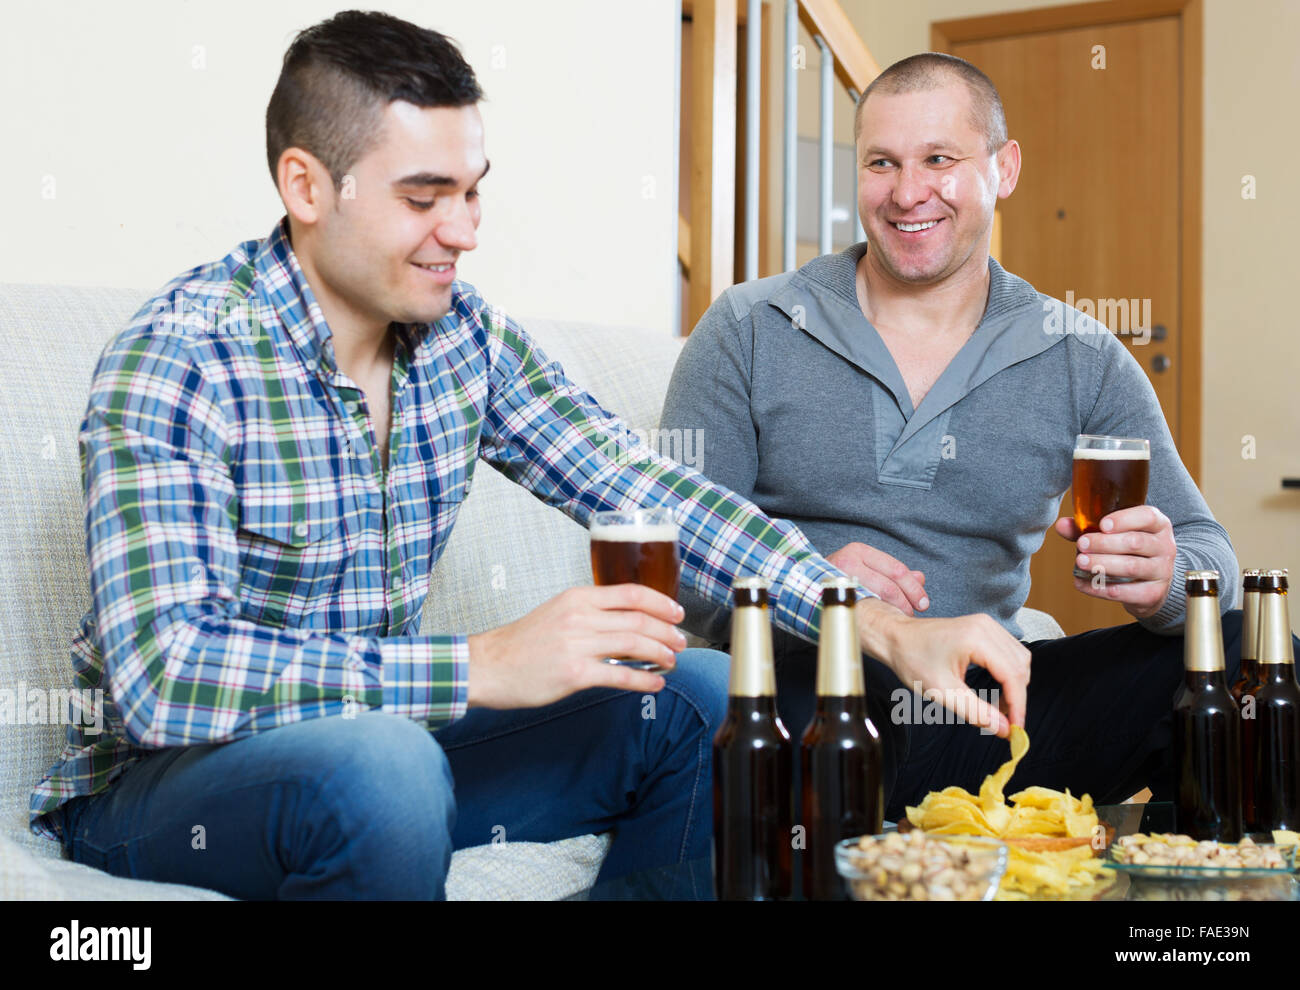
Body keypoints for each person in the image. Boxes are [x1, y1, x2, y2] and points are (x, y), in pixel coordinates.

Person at [28, 16, 1029, 900]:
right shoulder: (183, 354)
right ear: (306, 185)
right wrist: (484, 664)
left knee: (699, 697)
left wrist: (887, 631)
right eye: (425, 198)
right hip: (167, 786)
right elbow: (166, 674)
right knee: (380, 764)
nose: (460, 233)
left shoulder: (461, 336)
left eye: (471, 193)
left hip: (390, 757)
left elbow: (640, 488)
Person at [663, 52, 1284, 823]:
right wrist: (799, 579)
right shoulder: (749, 327)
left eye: (939, 160)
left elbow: (1209, 550)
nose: (907, 192)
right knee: (760, 709)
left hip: (1000, 711)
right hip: (813, 698)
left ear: (1004, 168)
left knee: (1242, 654)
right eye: (881, 163)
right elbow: (672, 558)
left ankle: (1183, 892)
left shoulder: (1079, 354)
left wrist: (1169, 579)